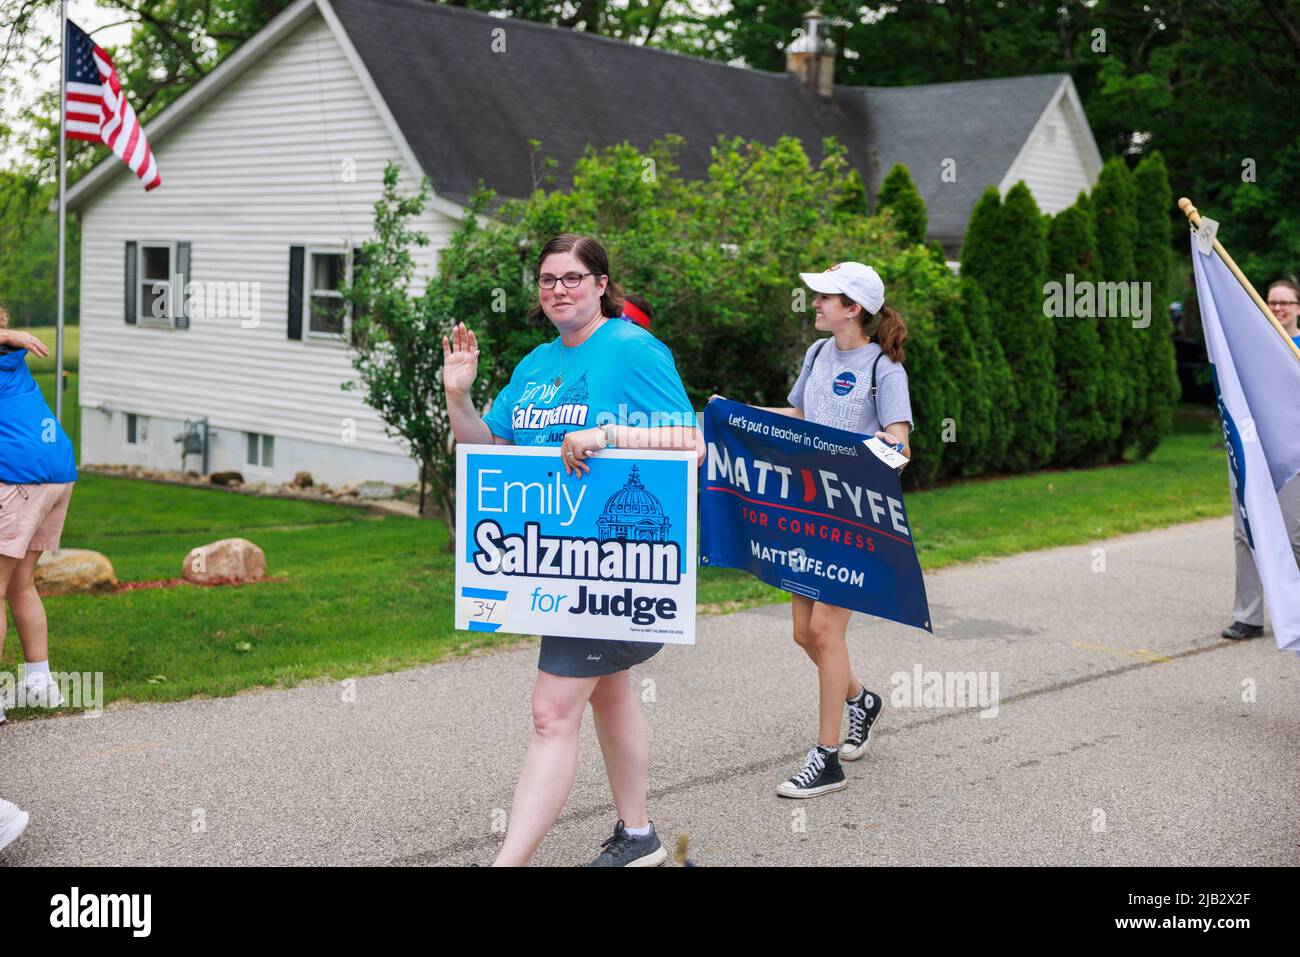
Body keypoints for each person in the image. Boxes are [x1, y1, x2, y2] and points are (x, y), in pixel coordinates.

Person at [442, 234, 702, 865]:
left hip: (611, 566)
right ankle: (638, 836)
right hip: (553, 564)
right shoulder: (535, 365)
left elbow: (693, 442)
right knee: (609, 693)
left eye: (573, 277)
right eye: (548, 279)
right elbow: (488, 453)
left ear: (601, 284)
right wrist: (458, 396)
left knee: (551, 712)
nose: (559, 289)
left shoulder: (634, 349)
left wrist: (606, 435)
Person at [711, 261, 913, 798]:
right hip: (806, 512)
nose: (815, 305)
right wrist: (735, 413)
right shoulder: (819, 354)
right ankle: (862, 701)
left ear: (853, 309)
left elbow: (899, 445)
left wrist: (855, 456)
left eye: (825, 298)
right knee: (803, 633)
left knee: (826, 631)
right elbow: (798, 415)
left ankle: (826, 758)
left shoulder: (884, 369)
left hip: (853, 517)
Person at [0, 308, 77, 724]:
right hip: (58, 471)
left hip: (21, 475)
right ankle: (39, 684)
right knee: (20, 583)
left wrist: (10, 335)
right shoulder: (8, 359)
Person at [1221, 279, 1300, 640]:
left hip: (1293, 454)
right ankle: (1248, 616)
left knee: (1294, 534)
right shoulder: (1251, 347)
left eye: (1286, 302)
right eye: (1273, 302)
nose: (1279, 308)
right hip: (1253, 450)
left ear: (1298, 307)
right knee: (1246, 532)